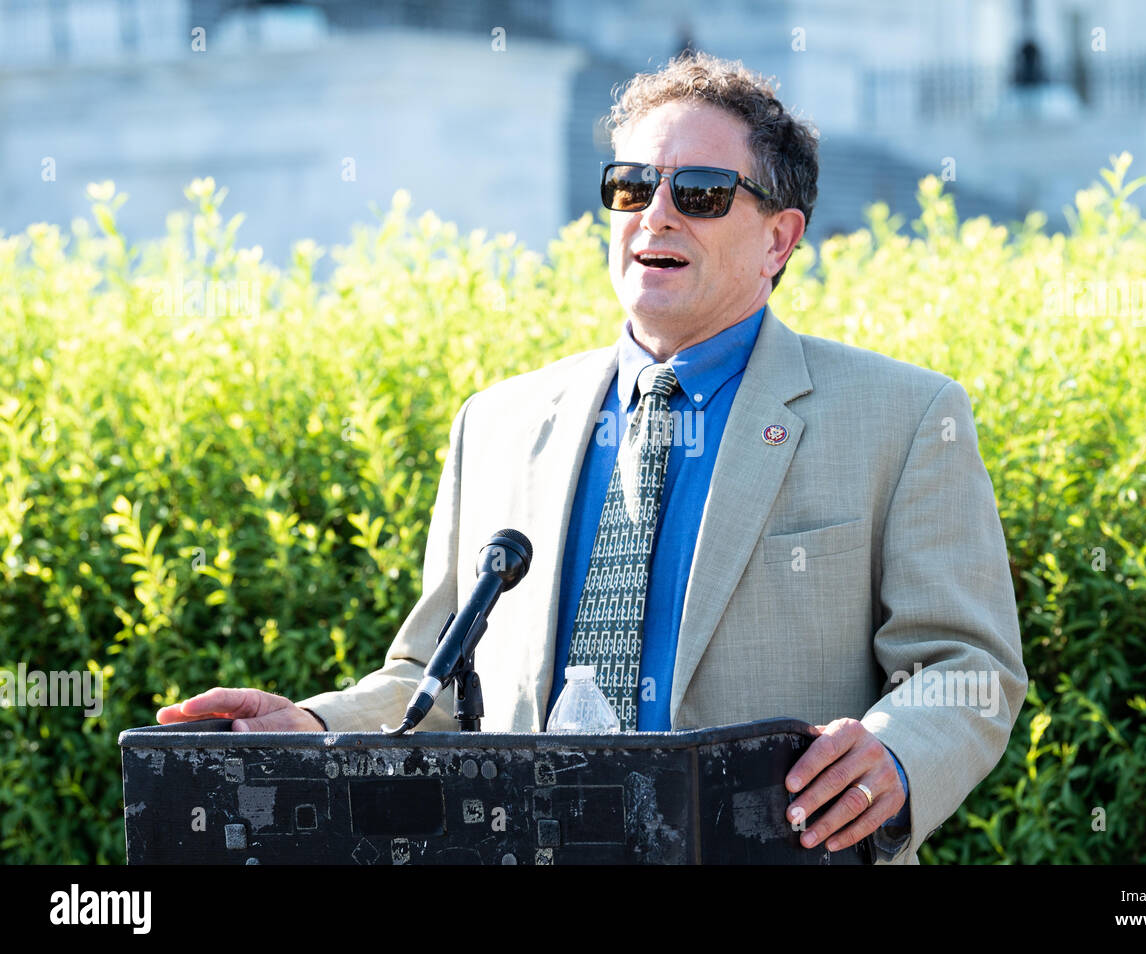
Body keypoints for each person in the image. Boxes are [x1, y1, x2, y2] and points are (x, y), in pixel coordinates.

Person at [158, 52, 1026, 865]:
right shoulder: (495, 424)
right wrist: (315, 727)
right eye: (632, 186)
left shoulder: (905, 416)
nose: (656, 213)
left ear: (779, 239)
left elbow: (966, 667)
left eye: (702, 192)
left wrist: (896, 754)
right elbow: (439, 683)